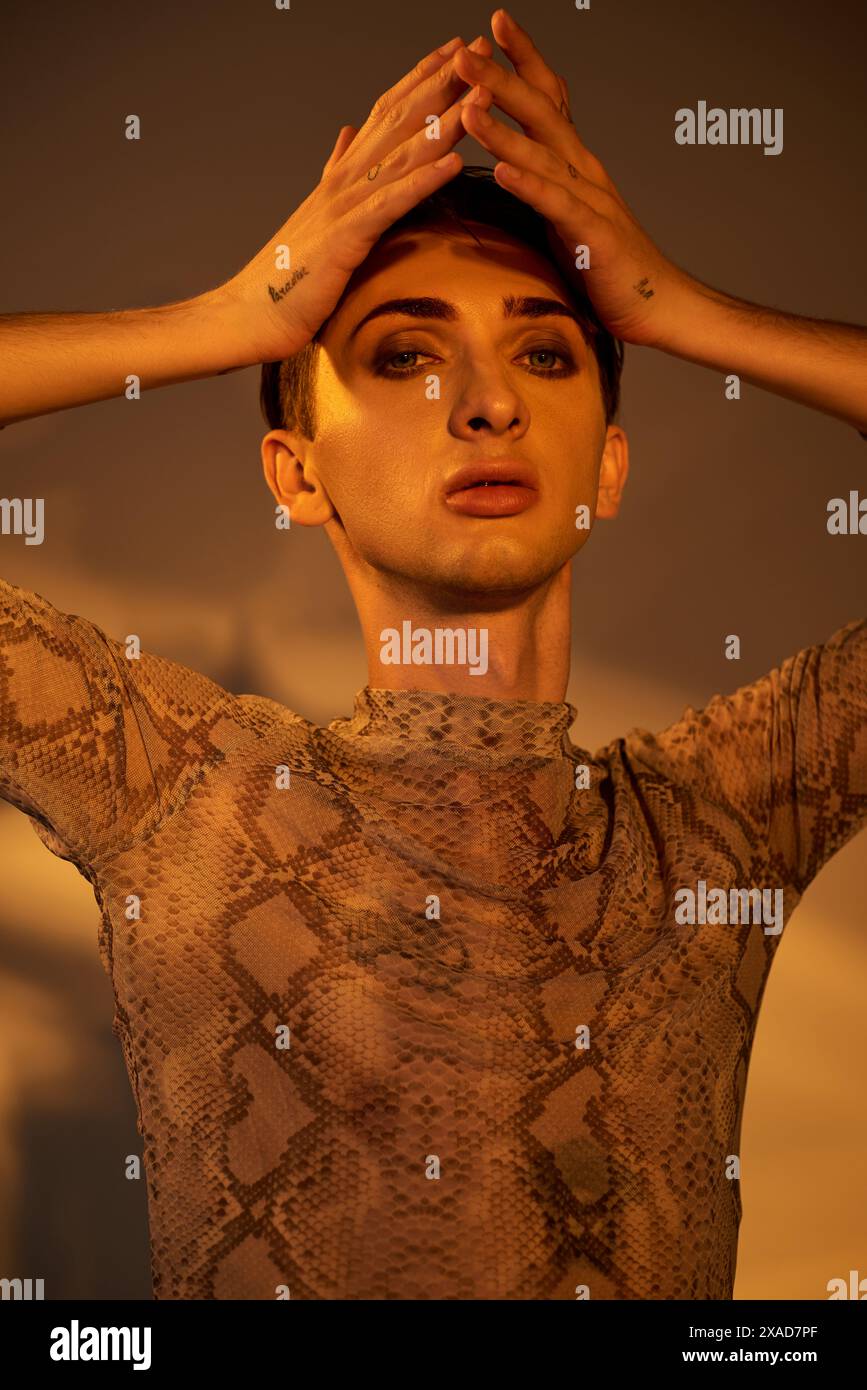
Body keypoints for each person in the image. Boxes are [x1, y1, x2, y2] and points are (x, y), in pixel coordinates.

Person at [1, 9, 865, 1300]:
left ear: (609, 463)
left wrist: (679, 307)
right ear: (294, 469)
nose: (489, 400)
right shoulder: (179, 790)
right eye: (404, 354)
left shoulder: (718, 820)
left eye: (547, 349)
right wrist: (232, 316)